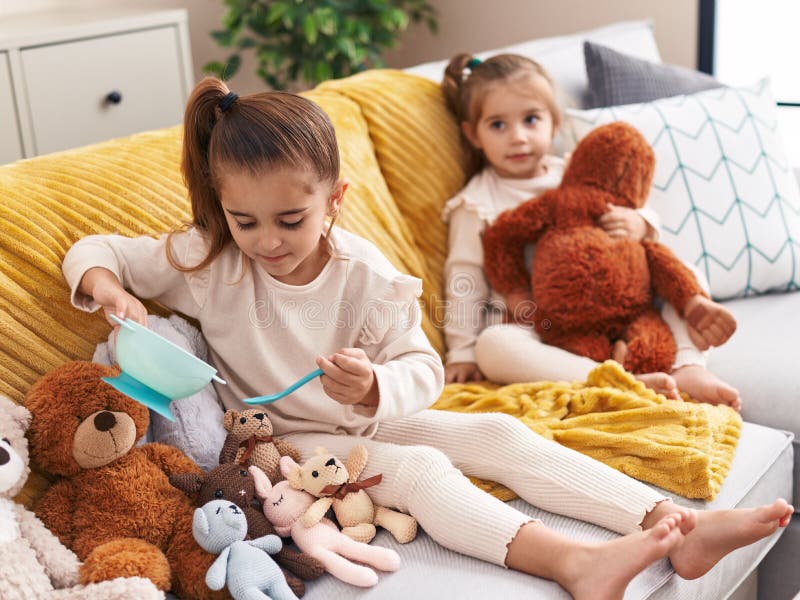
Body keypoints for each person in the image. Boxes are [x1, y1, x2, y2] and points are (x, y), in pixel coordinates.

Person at [62, 77, 790, 600]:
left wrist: (375, 385)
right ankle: (574, 564)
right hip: (280, 443)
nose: (267, 242)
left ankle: (673, 524)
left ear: (334, 200)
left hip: (361, 416)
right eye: (244, 220)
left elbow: (422, 366)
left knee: (501, 434)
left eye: (290, 220)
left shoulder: (366, 274)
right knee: (419, 473)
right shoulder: (209, 260)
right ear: (223, 207)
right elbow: (98, 250)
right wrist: (109, 288)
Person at [440, 52, 741, 410]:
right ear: (473, 134)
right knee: (493, 346)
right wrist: (462, 351)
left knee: (687, 275)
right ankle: (606, 378)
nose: (518, 137)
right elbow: (463, 281)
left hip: (617, 306)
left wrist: (641, 223)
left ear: (554, 123)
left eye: (531, 120)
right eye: (498, 125)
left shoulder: (574, 172)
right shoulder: (475, 204)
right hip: (540, 326)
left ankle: (688, 366)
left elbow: (626, 202)